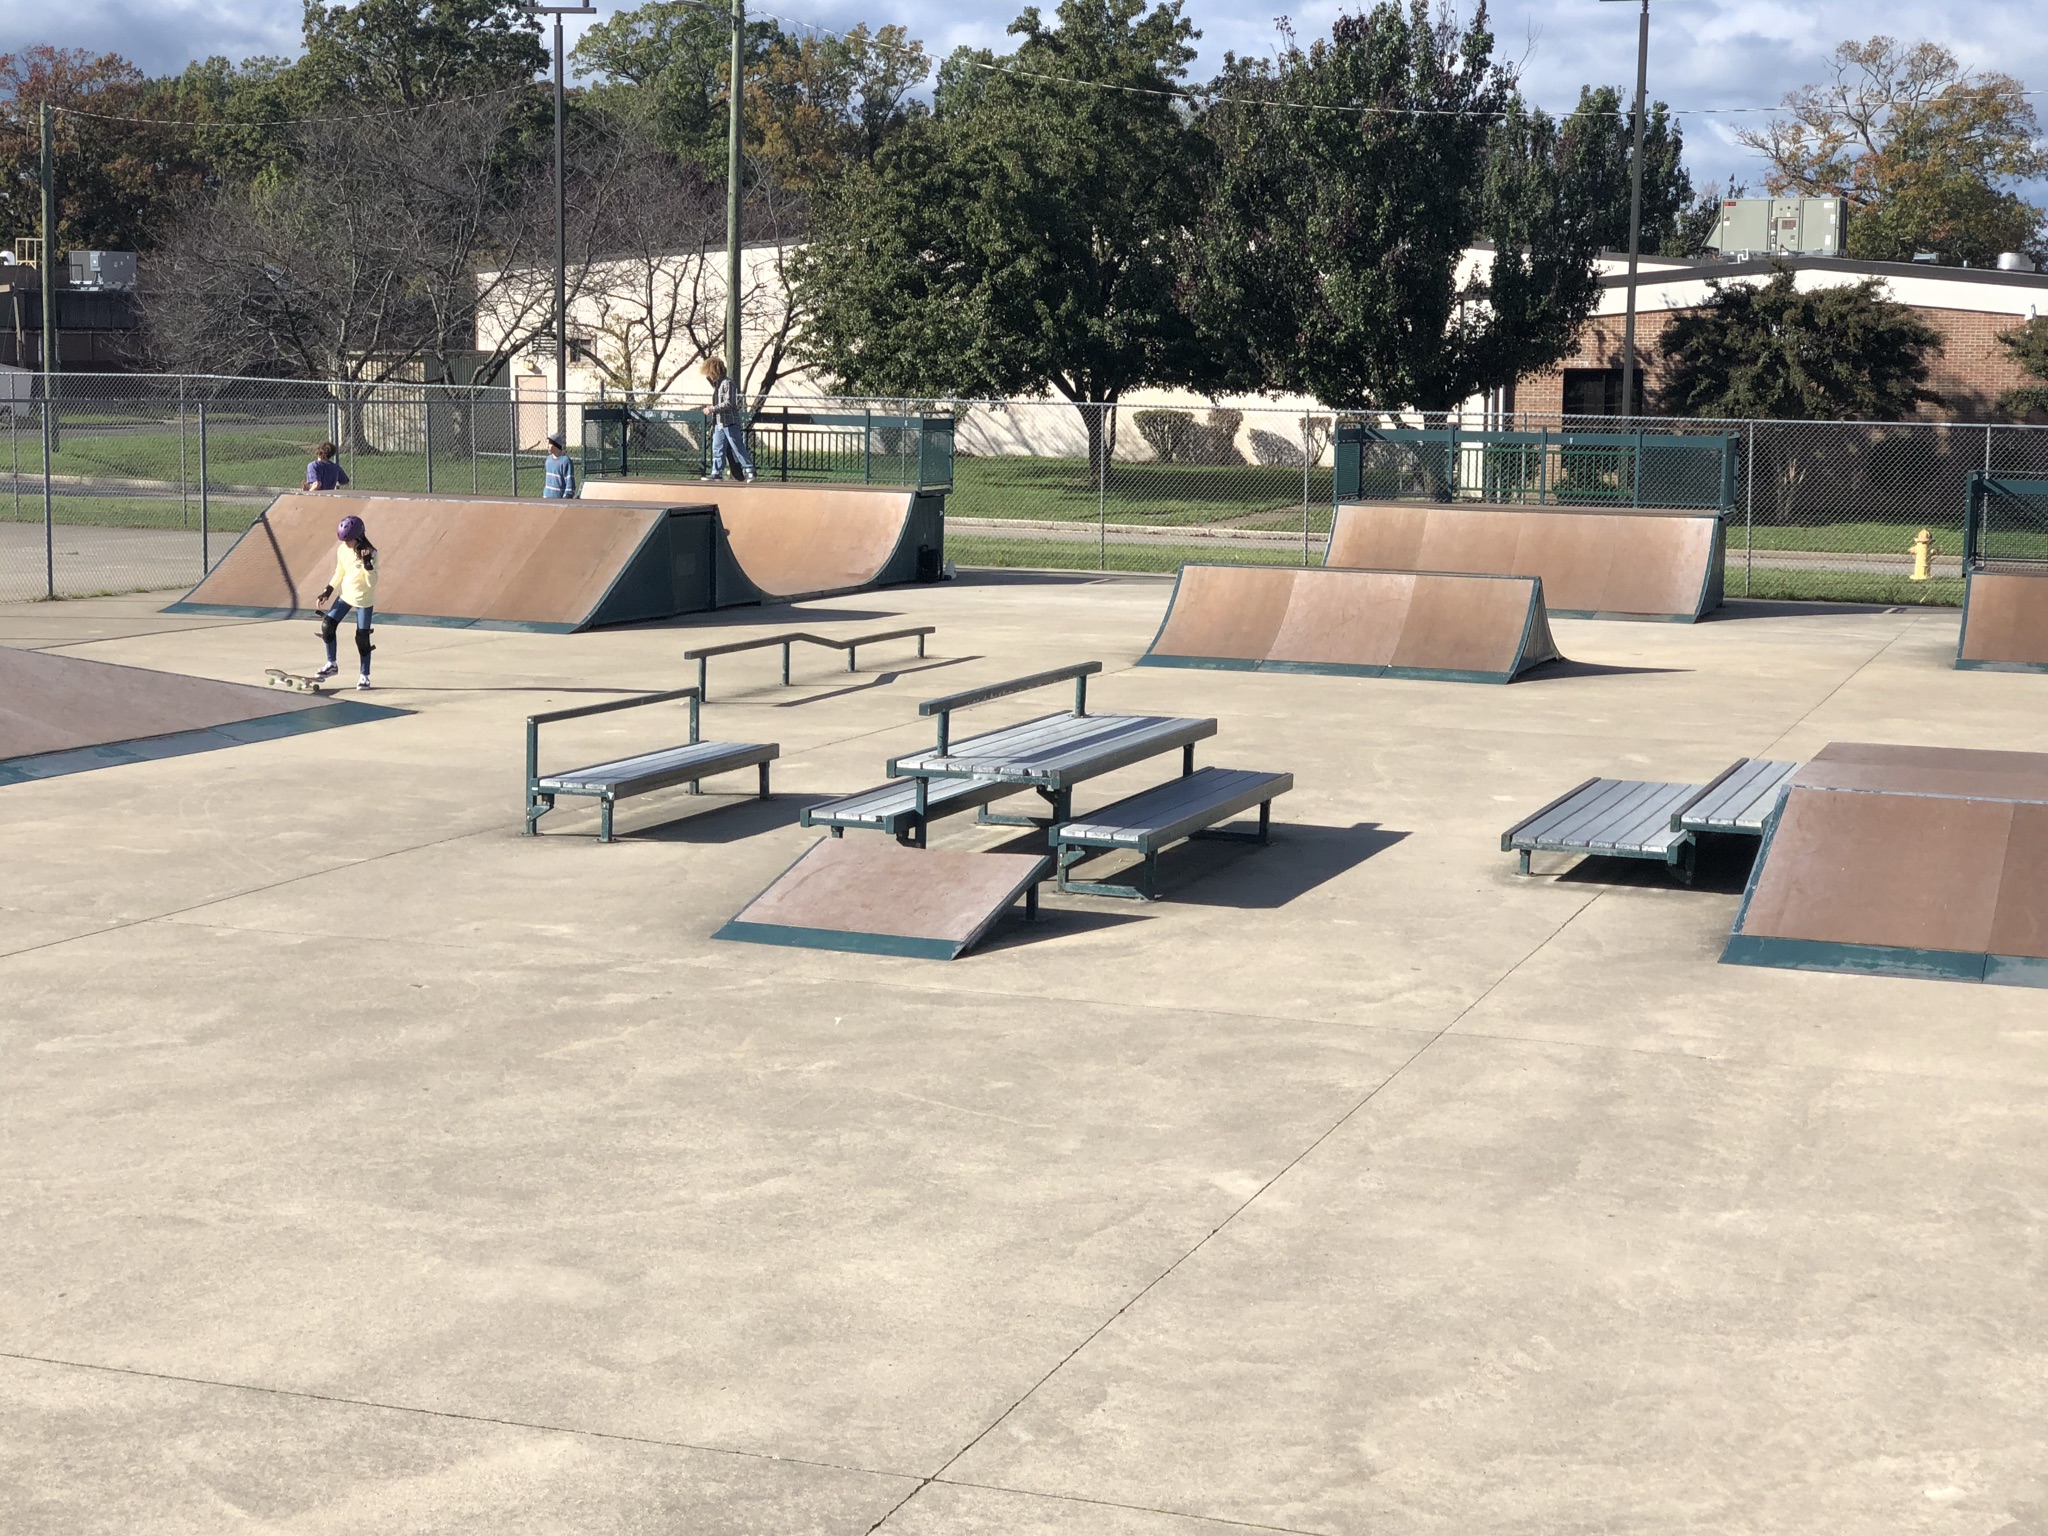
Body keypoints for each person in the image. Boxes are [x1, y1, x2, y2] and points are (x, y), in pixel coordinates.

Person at [313, 515, 379, 690]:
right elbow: (339, 572)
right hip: (346, 595)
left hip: (364, 599)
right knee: (328, 625)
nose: (346, 544)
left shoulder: (371, 553)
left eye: (348, 540)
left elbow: (372, 583)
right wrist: (327, 590)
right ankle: (331, 664)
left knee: (362, 638)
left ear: (357, 537)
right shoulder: (342, 550)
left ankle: (364, 676)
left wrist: (367, 565)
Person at [702, 357, 755, 482]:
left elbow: (729, 403)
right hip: (719, 423)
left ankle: (750, 470)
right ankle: (716, 472)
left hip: (730, 422)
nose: (709, 376)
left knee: (737, 447)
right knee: (717, 447)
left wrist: (712, 409)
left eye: (710, 373)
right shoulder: (717, 385)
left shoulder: (728, 383)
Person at [541, 432, 578, 499]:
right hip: (547, 498)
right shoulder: (548, 459)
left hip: (559, 500)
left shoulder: (565, 461)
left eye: (550, 444)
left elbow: (570, 485)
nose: (547, 446)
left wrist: (565, 498)